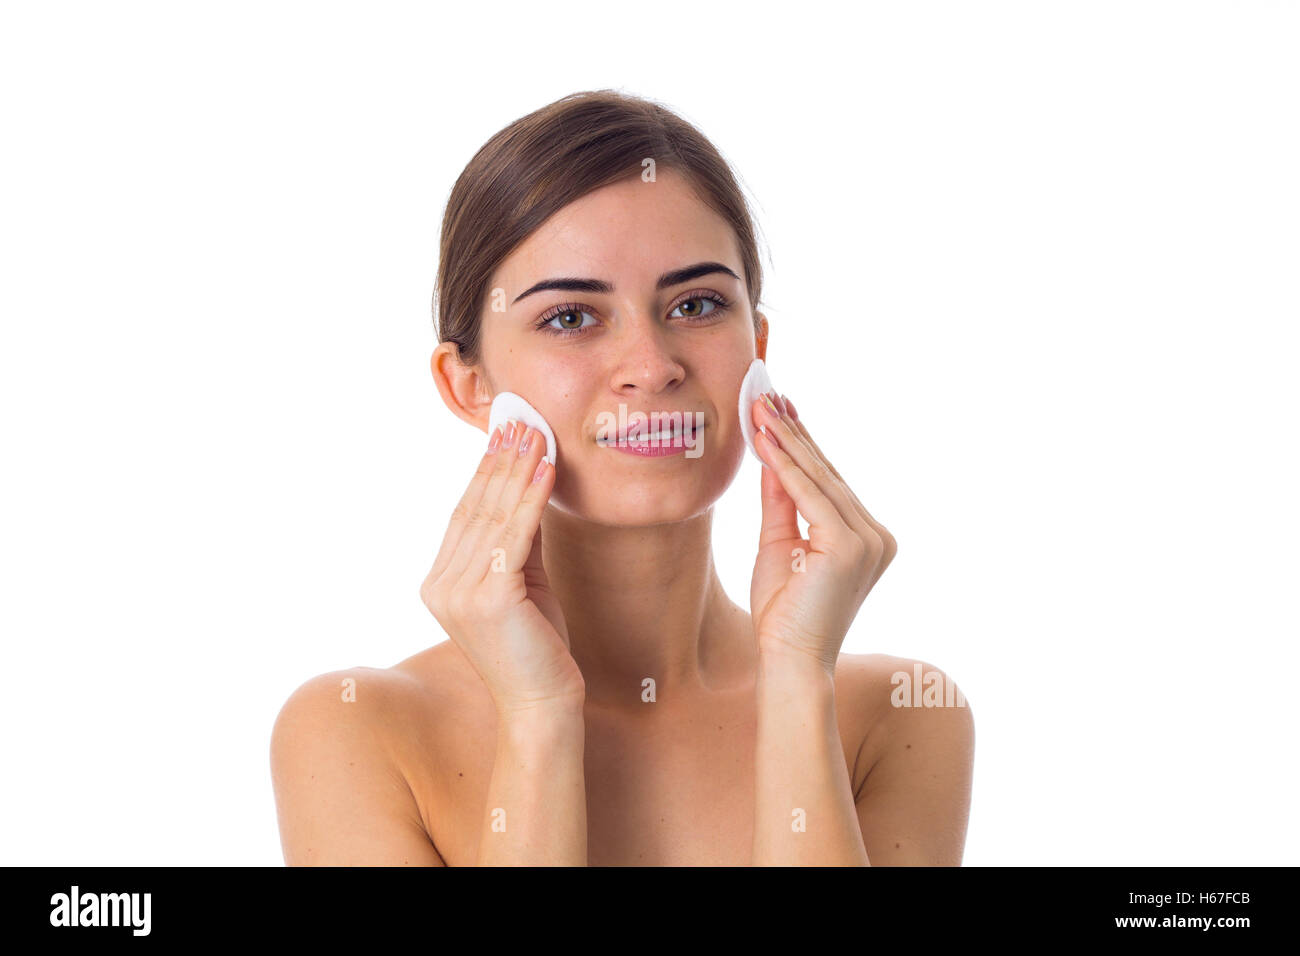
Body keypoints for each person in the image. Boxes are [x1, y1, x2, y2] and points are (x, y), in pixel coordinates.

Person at [270, 89, 974, 866]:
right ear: (467, 385)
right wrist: (538, 715)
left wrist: (799, 681)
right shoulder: (354, 731)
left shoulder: (901, 718)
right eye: (571, 316)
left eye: (698, 303)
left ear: (758, 347)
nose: (651, 367)